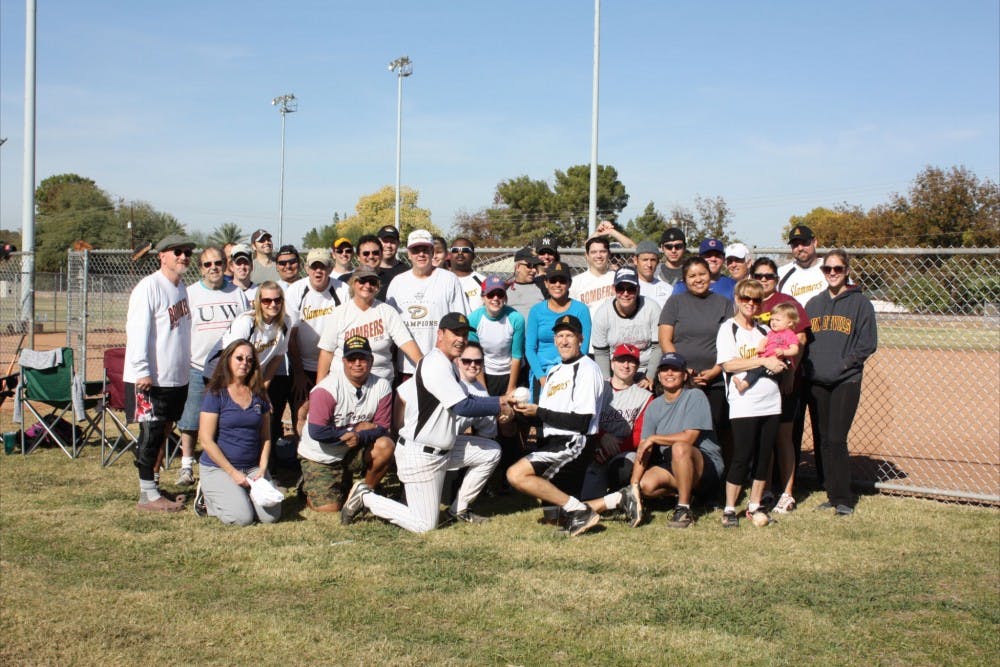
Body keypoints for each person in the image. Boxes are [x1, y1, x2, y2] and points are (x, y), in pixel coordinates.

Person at [340, 313, 511, 533]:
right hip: (422, 454)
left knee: (491, 451)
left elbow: (467, 399)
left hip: (443, 449)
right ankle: (366, 497)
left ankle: (458, 510)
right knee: (424, 525)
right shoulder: (436, 364)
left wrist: (499, 401)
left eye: (464, 334)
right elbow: (463, 407)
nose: (461, 339)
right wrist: (500, 403)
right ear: (440, 334)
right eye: (455, 333)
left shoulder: (446, 363)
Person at [508, 315, 605, 536]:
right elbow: (544, 417)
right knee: (553, 521)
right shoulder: (553, 372)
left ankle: (581, 511)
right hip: (553, 441)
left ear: (580, 339)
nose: (564, 341)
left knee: (517, 474)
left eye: (569, 335)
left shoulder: (587, 369)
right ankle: (617, 499)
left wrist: (538, 411)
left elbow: (581, 422)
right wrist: (519, 413)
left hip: (575, 441)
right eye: (559, 335)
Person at [607, 352, 724, 529]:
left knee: (679, 448)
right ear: (659, 376)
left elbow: (689, 437)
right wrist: (634, 486)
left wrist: (654, 438)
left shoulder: (695, 396)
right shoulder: (654, 405)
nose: (669, 373)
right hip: (673, 466)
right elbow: (644, 448)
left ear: (684, 375)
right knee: (646, 485)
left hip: (705, 466)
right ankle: (688, 494)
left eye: (675, 370)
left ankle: (684, 508)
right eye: (664, 370)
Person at [124, 234, 194, 512]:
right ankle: (147, 496)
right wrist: (142, 371)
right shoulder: (149, 287)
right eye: (177, 251)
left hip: (175, 376)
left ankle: (152, 485)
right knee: (151, 434)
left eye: (187, 251)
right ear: (162, 256)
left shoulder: (181, 287)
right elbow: (137, 331)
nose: (183, 256)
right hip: (150, 379)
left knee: (164, 431)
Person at [805, 249, 878, 516]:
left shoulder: (861, 304)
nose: (832, 273)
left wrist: (843, 365)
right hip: (817, 381)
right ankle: (831, 492)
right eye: (828, 269)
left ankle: (844, 498)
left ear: (847, 271)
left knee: (836, 438)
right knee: (823, 440)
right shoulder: (813, 304)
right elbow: (804, 342)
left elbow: (868, 344)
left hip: (846, 380)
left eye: (838, 269)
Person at [175, 246, 250, 487]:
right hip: (197, 366)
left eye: (218, 263)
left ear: (225, 264)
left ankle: (223, 462)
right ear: (200, 269)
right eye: (207, 264)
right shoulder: (190, 294)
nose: (213, 268)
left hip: (228, 371)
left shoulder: (236, 293)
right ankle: (186, 465)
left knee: (226, 418)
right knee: (191, 420)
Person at [717, 279, 787, 528]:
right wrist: (762, 362)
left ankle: (754, 505)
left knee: (763, 456)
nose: (750, 303)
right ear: (737, 299)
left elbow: (778, 357)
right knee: (741, 455)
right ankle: (729, 508)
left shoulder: (766, 331)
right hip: (744, 403)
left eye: (756, 299)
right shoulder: (729, 328)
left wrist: (777, 363)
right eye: (746, 298)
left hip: (770, 400)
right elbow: (728, 364)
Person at [297, 335, 395, 512]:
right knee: (330, 509)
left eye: (362, 358)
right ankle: (308, 486)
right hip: (321, 456)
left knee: (386, 445)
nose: (357, 363)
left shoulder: (382, 386)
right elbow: (317, 431)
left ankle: (364, 495)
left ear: (371, 361)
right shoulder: (326, 388)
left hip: (351, 450)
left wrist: (360, 436)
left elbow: (382, 427)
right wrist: (354, 430)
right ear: (343, 361)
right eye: (352, 359)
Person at [193, 340, 281, 526]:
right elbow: (206, 440)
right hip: (220, 468)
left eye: (249, 360)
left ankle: (240, 496)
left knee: (271, 517)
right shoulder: (216, 394)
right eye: (239, 358)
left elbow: (265, 437)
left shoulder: (259, 395)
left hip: (252, 468)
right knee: (242, 519)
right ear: (228, 361)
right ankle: (208, 497)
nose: (244, 363)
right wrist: (232, 473)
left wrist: (263, 468)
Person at [751, 257, 811, 513]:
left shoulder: (786, 303)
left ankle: (787, 493)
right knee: (763, 436)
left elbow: (800, 337)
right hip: (757, 381)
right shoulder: (748, 302)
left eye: (769, 276)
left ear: (777, 278)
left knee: (783, 437)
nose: (764, 280)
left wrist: (790, 371)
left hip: (783, 380)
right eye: (759, 275)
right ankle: (766, 489)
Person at [658, 256, 732, 439]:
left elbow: (731, 343)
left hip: (715, 380)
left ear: (710, 275)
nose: (698, 279)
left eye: (702, 274)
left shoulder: (724, 303)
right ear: (684, 279)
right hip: (682, 379)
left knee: (717, 431)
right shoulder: (675, 302)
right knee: (683, 431)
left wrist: (715, 371)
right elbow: (665, 340)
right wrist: (682, 369)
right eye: (692, 276)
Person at [315, 265, 422, 385]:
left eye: (372, 282)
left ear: (377, 287)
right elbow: (326, 352)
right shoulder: (339, 313)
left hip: (380, 382)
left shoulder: (387, 311)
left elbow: (406, 343)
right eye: (362, 281)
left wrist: (425, 368)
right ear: (353, 283)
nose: (367, 285)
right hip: (343, 382)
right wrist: (319, 386)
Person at [386, 229, 469, 379]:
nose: (421, 254)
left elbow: (460, 323)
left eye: (425, 249)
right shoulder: (398, 283)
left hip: (443, 366)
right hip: (408, 368)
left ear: (432, 251)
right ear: (409, 254)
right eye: (416, 250)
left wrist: (458, 358)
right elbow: (390, 327)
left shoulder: (449, 279)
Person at [285, 248, 350, 433]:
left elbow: (346, 331)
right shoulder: (296, 290)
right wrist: (298, 373)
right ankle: (301, 454)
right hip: (303, 364)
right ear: (307, 268)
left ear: (330, 269)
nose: (318, 271)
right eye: (314, 267)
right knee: (302, 411)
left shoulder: (342, 290)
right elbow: (292, 336)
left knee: (332, 412)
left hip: (333, 364)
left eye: (323, 267)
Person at [467, 276, 526, 477]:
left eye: (500, 294)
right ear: (483, 297)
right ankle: (485, 474)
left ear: (505, 297)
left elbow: (517, 355)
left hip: (509, 374)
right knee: (486, 424)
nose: (495, 298)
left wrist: (510, 390)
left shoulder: (515, 319)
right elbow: (476, 357)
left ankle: (511, 472)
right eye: (490, 294)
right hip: (484, 374)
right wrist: (483, 391)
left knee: (507, 421)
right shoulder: (474, 319)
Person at [579, 344, 653, 501]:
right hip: (594, 446)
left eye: (631, 362)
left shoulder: (645, 396)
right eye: (621, 360)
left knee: (625, 469)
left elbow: (640, 435)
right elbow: (583, 419)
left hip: (624, 450)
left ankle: (619, 496)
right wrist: (602, 436)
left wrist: (613, 448)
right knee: (587, 498)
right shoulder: (598, 387)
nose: (626, 365)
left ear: (638, 366)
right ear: (612, 363)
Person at [449, 341, 505, 523]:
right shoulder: (449, 380)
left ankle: (460, 508)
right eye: (467, 361)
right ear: (457, 361)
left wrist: (504, 415)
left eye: (478, 362)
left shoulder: (481, 390)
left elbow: (488, 431)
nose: (473, 365)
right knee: (425, 518)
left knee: (492, 450)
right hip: (429, 445)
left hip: (453, 447)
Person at [525, 262, 591, 399]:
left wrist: (566, 376)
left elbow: (583, 347)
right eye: (553, 280)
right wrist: (542, 378)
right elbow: (530, 349)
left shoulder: (581, 310)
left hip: (571, 372)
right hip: (543, 372)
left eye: (562, 280)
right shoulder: (536, 311)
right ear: (546, 283)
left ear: (569, 284)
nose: (557, 284)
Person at [591, 266, 661, 387]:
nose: (625, 293)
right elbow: (601, 353)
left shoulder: (651, 308)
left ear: (638, 289)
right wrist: (607, 382)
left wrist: (650, 376)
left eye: (631, 289)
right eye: (620, 288)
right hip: (616, 371)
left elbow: (658, 347)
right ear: (613, 289)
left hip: (645, 368)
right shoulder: (603, 313)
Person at [270, 244, 303, 443]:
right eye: (282, 263)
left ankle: (302, 461)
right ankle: (272, 464)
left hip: (303, 365)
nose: (288, 266)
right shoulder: (271, 289)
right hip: (278, 367)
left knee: (301, 414)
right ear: (277, 266)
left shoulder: (308, 286)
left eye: (292, 262)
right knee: (273, 414)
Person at [732, 303, 800, 394]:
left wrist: (784, 352)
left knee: (757, 370)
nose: (773, 322)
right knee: (755, 367)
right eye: (772, 319)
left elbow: (795, 349)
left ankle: (743, 384)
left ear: (790, 322)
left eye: (777, 320)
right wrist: (760, 347)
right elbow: (764, 340)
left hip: (779, 360)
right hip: (766, 359)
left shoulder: (789, 334)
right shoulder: (771, 333)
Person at [569, 235, 616, 323]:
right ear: (586, 255)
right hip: (586, 332)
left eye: (602, 251)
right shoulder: (576, 282)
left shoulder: (616, 278)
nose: (598, 255)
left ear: (609, 254)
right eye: (593, 252)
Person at [778, 225, 826, 307]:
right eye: (795, 245)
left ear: (814, 242)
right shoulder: (781, 273)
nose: (800, 248)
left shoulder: (831, 268)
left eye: (804, 243)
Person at [506, 248, 545, 321]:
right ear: (518, 267)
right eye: (529, 266)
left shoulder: (543, 287)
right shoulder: (504, 289)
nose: (534, 270)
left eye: (535, 266)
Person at [449, 237, 486, 312]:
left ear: (473, 256)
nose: (460, 253)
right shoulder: (441, 280)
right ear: (449, 255)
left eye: (465, 250)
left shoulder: (483, 281)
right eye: (455, 250)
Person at [633, 240, 673, 308]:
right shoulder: (627, 288)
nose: (649, 264)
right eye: (645, 260)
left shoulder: (668, 289)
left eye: (653, 260)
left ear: (658, 262)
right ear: (635, 261)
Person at [376, 225, 409, 293]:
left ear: (398, 244)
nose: (388, 245)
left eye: (392, 242)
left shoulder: (406, 272)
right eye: (385, 241)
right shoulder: (370, 271)